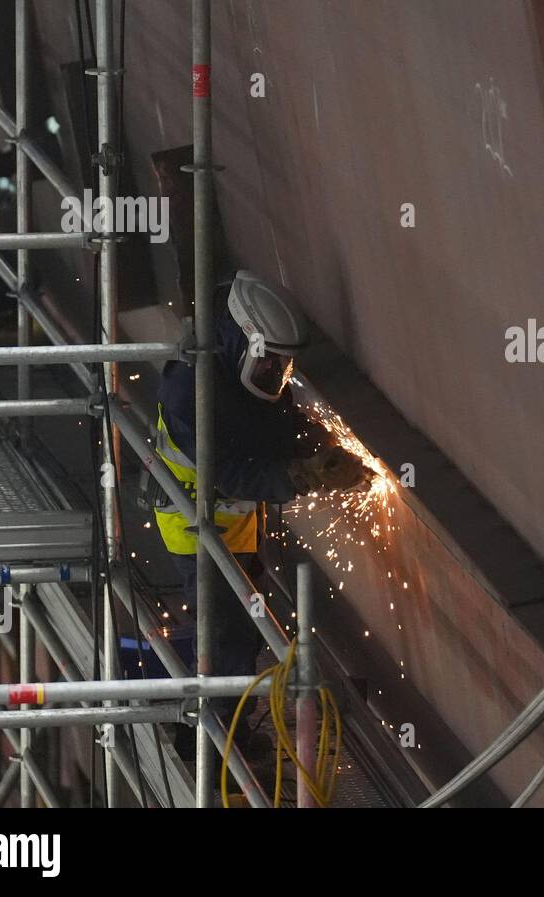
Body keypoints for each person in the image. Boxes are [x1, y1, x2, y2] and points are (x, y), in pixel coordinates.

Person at [151, 269, 369, 756]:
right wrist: (304, 476)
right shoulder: (190, 393)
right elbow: (229, 473)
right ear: (241, 342)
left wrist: (326, 451)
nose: (277, 373)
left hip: (235, 526)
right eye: (271, 361)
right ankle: (209, 745)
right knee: (226, 634)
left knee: (243, 629)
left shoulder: (240, 378)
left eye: (282, 364)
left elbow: (282, 428)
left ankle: (221, 731)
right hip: (195, 529)